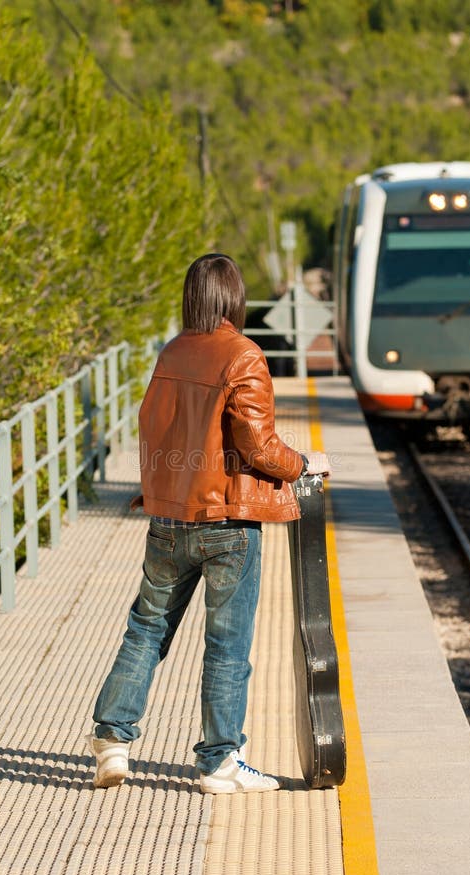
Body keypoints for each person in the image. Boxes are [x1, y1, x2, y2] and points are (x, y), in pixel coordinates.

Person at [87, 253, 330, 793]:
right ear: (234, 298)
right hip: (227, 522)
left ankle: (113, 739)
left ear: (192, 295)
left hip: (169, 517)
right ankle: (220, 762)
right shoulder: (243, 355)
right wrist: (304, 463)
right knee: (227, 645)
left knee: (147, 629)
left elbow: (152, 428)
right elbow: (258, 445)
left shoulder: (172, 351)